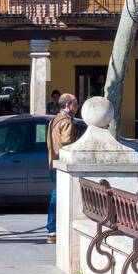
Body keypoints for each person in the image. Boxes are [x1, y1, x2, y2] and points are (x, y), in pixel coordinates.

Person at [45, 93, 79, 244]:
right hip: (61, 163)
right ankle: (53, 230)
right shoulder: (66, 122)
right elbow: (67, 143)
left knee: (56, 195)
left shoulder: (54, 119)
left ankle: (53, 229)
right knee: (57, 196)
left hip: (53, 162)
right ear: (68, 105)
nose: (77, 107)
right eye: (75, 104)